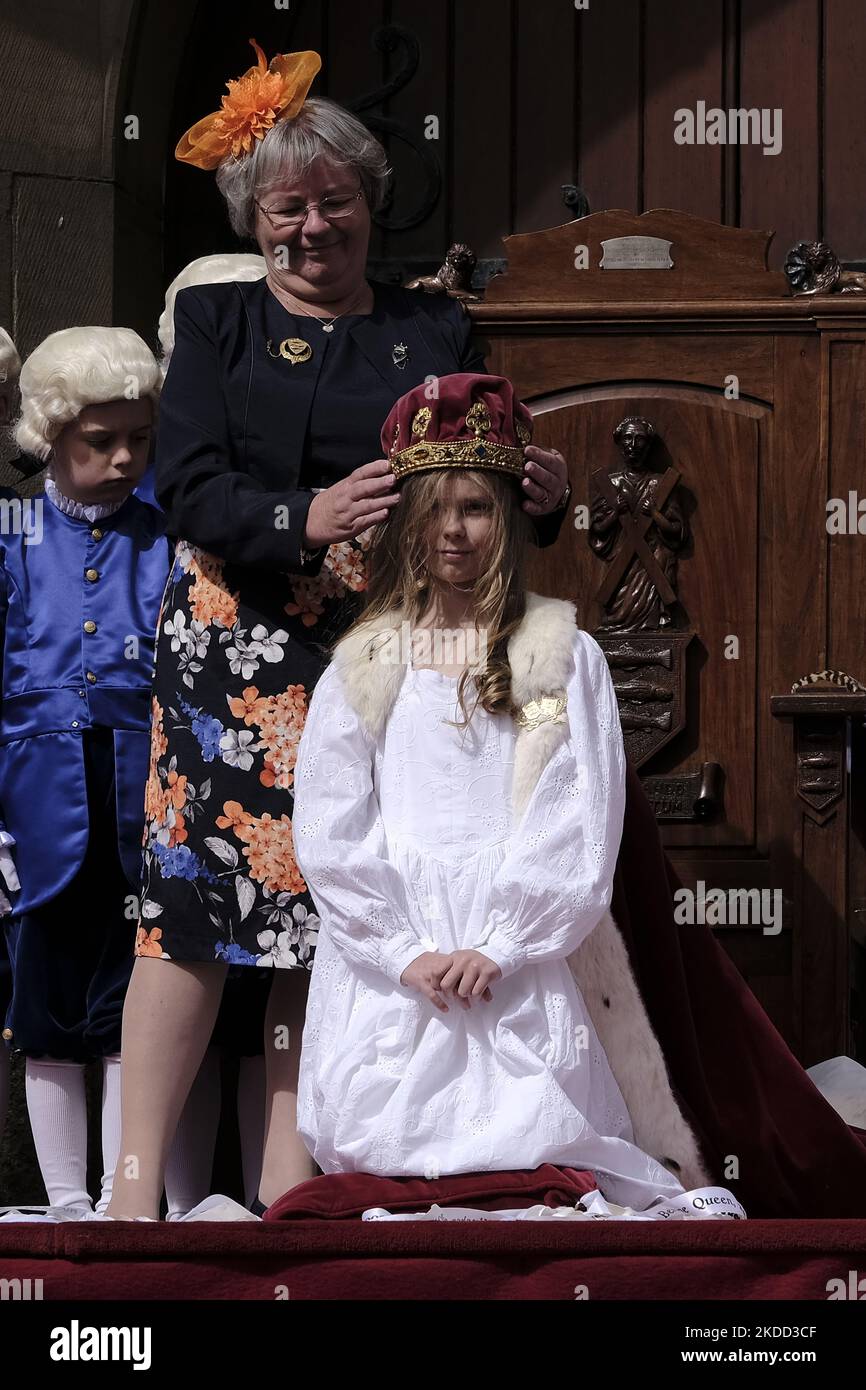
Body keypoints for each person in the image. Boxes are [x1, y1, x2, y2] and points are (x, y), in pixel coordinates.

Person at [108, 42, 571, 1220]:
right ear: (253, 219)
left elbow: (477, 483)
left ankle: (289, 1172)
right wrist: (298, 515)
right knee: (193, 912)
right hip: (234, 659)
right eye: (285, 209)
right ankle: (127, 1188)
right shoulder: (213, 322)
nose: (311, 229)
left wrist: (533, 490)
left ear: (371, 203)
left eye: (333, 203)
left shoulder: (435, 328)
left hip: (382, 658)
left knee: (336, 910)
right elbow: (184, 484)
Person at [291, 372, 742, 1216]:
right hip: (405, 950)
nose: (453, 533)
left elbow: (574, 810)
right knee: (396, 1150)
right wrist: (402, 949)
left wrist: (502, 939)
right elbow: (331, 825)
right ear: (406, 524)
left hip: (520, 954)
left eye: (477, 509)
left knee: (530, 1144)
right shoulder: (370, 662)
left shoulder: (550, 656)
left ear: (511, 520)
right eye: (434, 510)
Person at [0, 327, 169, 1217]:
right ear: (49, 438)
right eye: (97, 442)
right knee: (45, 1004)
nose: (121, 458)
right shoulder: (11, 535)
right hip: (36, 803)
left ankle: (120, 1195)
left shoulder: (170, 537)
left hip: (142, 797)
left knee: (132, 997)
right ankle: (64, 1195)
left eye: (136, 438)